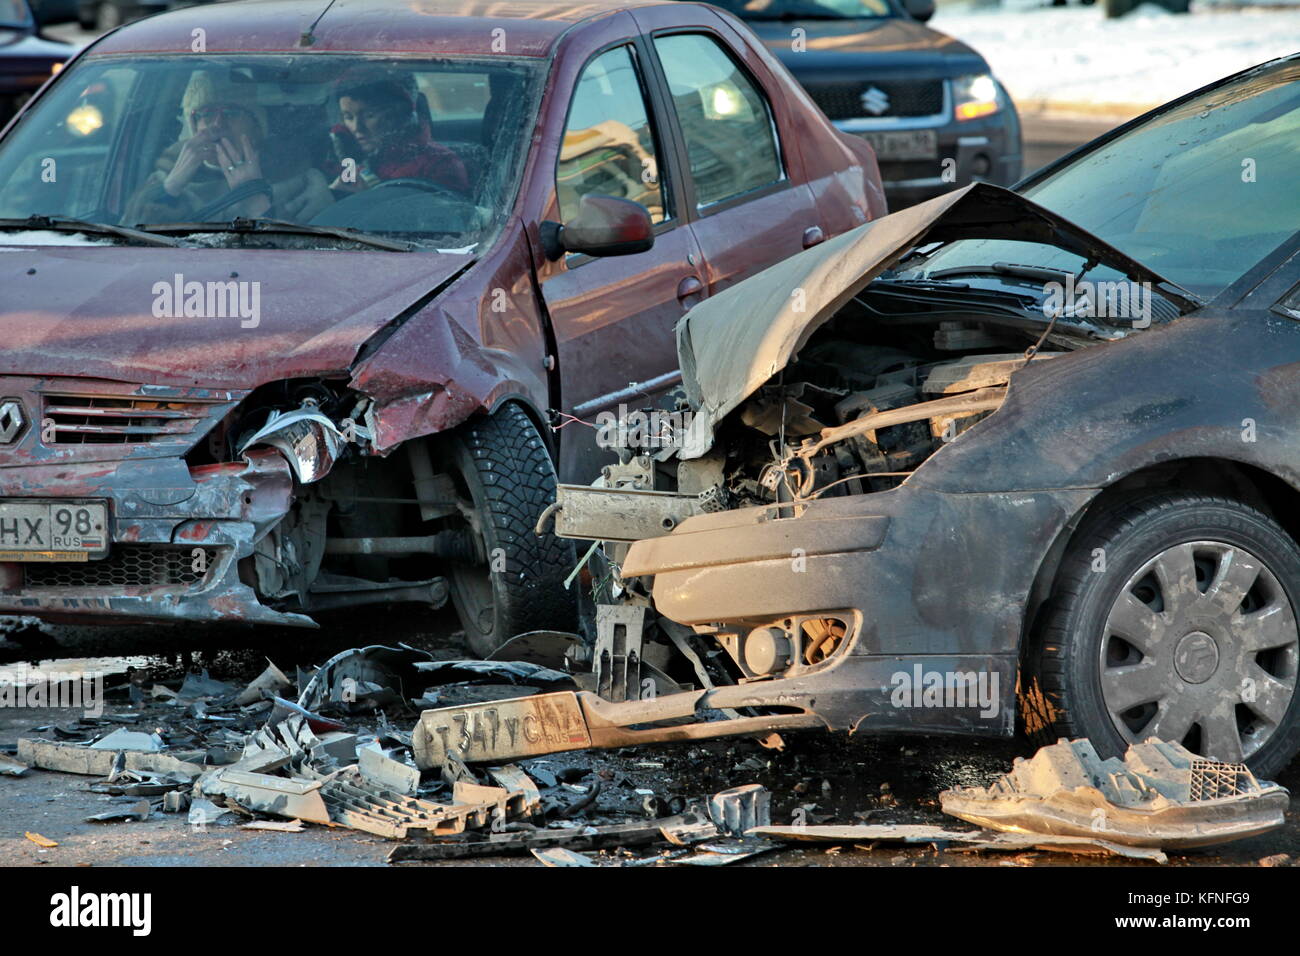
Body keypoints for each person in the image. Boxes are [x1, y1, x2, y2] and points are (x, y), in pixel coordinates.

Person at [125, 72, 333, 224]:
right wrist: (170, 188)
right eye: (206, 113)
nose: (217, 123)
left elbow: (312, 261)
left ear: (257, 127)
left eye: (231, 112)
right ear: (194, 126)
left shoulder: (300, 180)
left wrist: (255, 200)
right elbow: (128, 244)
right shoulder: (165, 178)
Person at [328, 70, 470, 195]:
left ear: (398, 115)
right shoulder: (348, 158)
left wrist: (368, 199)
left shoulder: (440, 163)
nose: (356, 127)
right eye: (348, 117)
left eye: (369, 115)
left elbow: (447, 219)